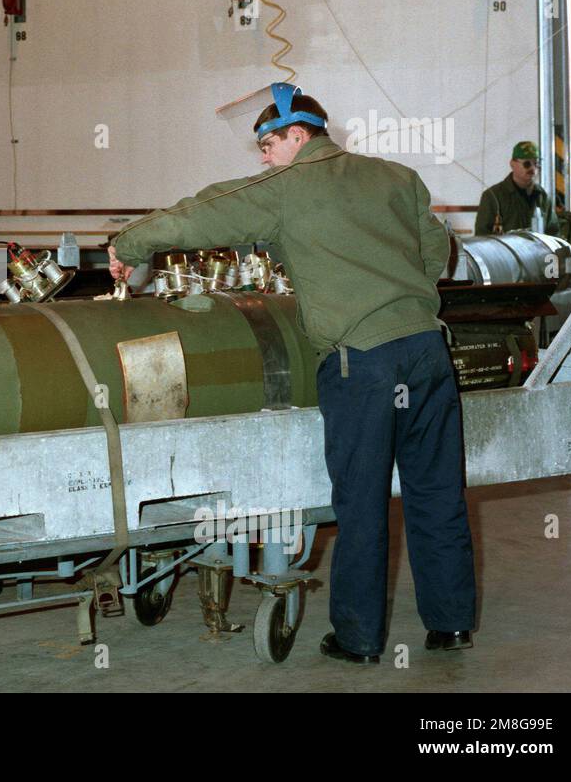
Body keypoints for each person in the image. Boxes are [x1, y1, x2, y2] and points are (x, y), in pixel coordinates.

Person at [108, 84, 476, 664]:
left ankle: (357, 639)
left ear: (299, 136)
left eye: (268, 143)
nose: (262, 157)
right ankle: (451, 623)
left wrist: (130, 241)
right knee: (437, 494)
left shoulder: (285, 187)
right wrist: (396, 297)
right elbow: (437, 252)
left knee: (361, 505)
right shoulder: (396, 178)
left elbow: (202, 214)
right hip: (428, 353)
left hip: (363, 362)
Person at [474, 141, 559, 235]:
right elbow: (481, 237)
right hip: (506, 249)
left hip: (538, 249)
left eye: (536, 163)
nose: (533, 169)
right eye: (527, 164)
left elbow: (553, 232)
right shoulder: (493, 196)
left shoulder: (542, 196)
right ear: (512, 164)